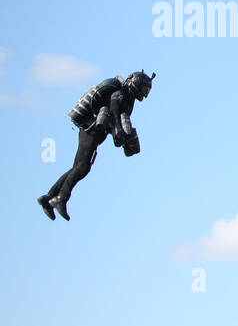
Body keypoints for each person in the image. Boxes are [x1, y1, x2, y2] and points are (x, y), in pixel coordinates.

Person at [39, 71, 154, 221]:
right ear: (136, 84)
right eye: (144, 89)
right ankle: (61, 198)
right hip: (91, 131)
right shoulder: (121, 94)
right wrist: (118, 130)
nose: (145, 94)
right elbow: (113, 111)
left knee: (78, 167)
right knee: (83, 167)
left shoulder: (128, 98)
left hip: (91, 131)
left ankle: (48, 198)